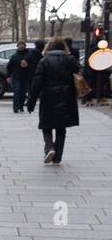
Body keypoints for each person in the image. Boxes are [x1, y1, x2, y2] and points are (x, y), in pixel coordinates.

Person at [28, 36, 80, 165]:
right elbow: (78, 69)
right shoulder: (70, 59)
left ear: (48, 47)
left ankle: (50, 147)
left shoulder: (44, 60)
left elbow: (37, 81)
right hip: (66, 95)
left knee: (46, 124)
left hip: (48, 95)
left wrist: (31, 101)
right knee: (61, 128)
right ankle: (57, 157)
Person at [6, 40, 34, 113]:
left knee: (23, 93)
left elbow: (34, 66)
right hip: (16, 77)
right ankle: (15, 108)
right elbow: (9, 67)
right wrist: (8, 76)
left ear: (25, 46)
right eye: (19, 45)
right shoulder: (14, 56)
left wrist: (27, 66)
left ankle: (21, 106)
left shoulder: (29, 55)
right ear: (17, 46)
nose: (21, 46)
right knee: (17, 92)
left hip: (26, 77)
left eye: (22, 45)